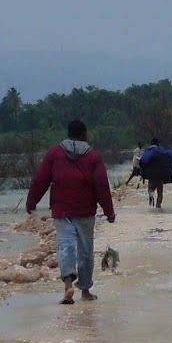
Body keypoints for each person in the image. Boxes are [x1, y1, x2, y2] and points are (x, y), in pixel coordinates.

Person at [26, 119, 116, 304]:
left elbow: (40, 179)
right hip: (85, 210)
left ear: (68, 134)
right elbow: (101, 185)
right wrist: (109, 211)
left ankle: (68, 286)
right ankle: (85, 291)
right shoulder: (93, 157)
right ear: (84, 135)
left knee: (65, 246)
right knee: (85, 249)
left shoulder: (55, 153)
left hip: (62, 210)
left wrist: (31, 201)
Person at [138, 138, 172, 209]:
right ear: (158, 143)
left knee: (151, 188)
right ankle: (158, 205)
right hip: (161, 176)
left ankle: (151, 194)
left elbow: (142, 161)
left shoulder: (149, 152)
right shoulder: (163, 151)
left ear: (151, 144)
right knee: (160, 192)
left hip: (151, 176)